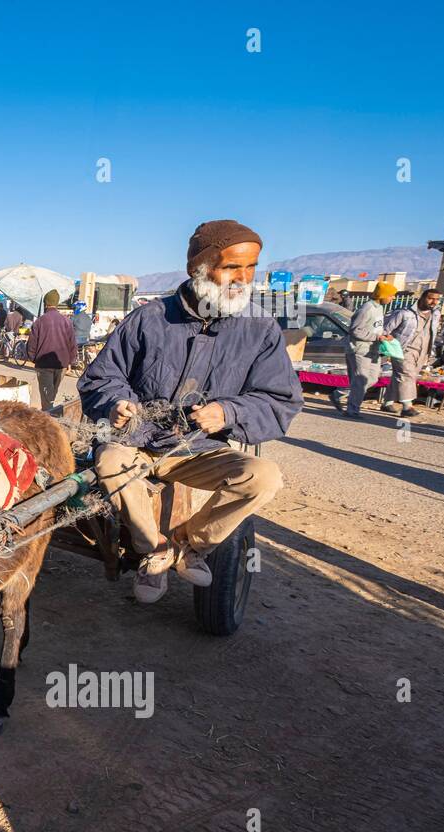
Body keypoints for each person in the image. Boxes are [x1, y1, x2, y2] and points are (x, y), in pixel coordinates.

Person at [79, 219, 301, 605]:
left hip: (200, 449)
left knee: (264, 477)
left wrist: (229, 412)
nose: (243, 278)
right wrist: (116, 403)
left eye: (251, 268)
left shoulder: (260, 330)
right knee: (110, 459)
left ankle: (190, 546)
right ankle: (153, 549)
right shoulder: (149, 319)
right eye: (232, 266)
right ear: (199, 267)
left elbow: (280, 399)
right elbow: (102, 377)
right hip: (139, 442)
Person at [330, 281, 398, 418]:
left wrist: (384, 335)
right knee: (360, 381)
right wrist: (377, 337)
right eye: (391, 295)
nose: (393, 298)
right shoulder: (367, 309)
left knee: (372, 379)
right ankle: (352, 410)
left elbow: (374, 327)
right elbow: (355, 330)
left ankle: (338, 394)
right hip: (360, 349)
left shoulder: (379, 308)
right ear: (382, 295)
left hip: (373, 349)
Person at [381, 288, 442, 417]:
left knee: (403, 376)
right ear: (422, 298)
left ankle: (387, 402)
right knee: (406, 374)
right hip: (403, 349)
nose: (434, 302)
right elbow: (386, 330)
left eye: (437, 299)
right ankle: (407, 406)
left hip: (423, 351)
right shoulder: (404, 313)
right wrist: (388, 340)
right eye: (430, 298)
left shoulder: (435, 314)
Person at [25, 290, 78, 408]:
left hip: (44, 364)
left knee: (47, 399)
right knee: (52, 395)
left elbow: (31, 345)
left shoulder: (39, 321)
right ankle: (51, 416)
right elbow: (72, 343)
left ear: (45, 303)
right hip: (61, 364)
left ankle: (48, 420)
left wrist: (34, 359)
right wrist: (70, 361)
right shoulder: (66, 321)